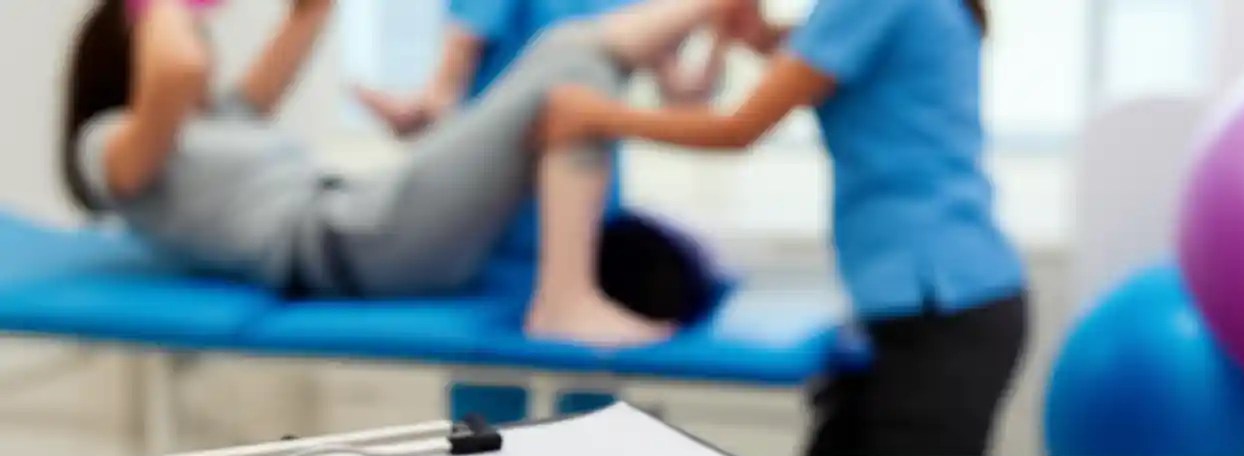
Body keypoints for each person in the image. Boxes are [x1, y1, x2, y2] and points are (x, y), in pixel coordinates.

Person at [61, 0, 739, 346]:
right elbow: (175, 69)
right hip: (348, 245)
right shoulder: (108, 151)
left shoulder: (224, 120)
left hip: (368, 218)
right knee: (567, 66)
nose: (202, 51)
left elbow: (312, 11)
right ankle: (561, 304)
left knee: (572, 70)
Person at [540, 0, 1028, 456]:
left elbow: (739, 127)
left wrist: (596, 117)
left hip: (941, 311)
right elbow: (823, 54)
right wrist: (760, 35)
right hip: (944, 304)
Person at [354, 0, 728, 276]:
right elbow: (440, 100)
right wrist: (409, 115)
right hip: (502, 215)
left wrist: (722, 34)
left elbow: (686, 96)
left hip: (589, 214)